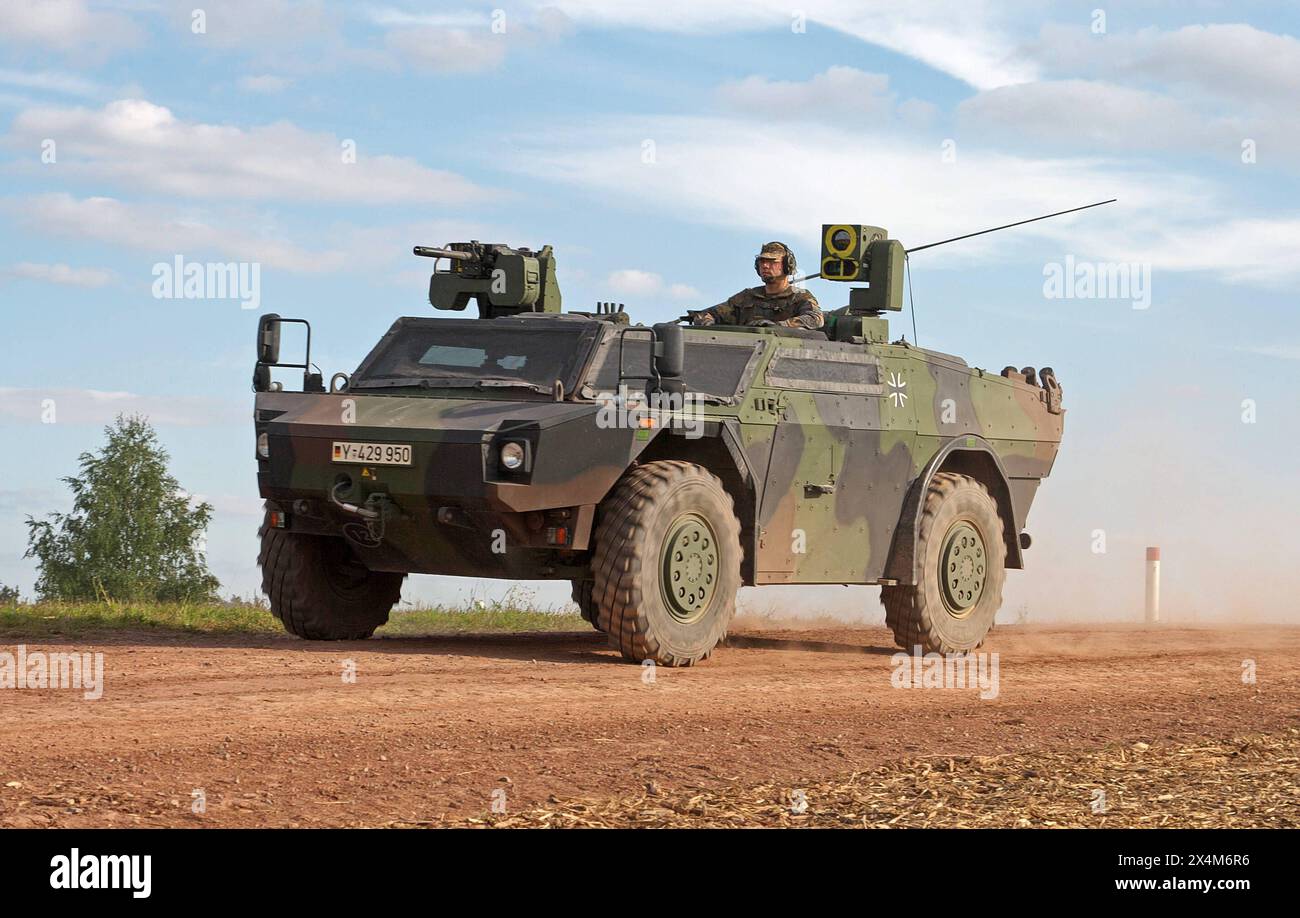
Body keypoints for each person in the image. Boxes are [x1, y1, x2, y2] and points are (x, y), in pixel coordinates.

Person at [690, 241, 823, 329]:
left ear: (787, 266)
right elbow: (708, 314)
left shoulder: (799, 297)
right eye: (762, 262)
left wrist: (778, 326)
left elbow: (815, 318)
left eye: (772, 262)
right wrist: (706, 322)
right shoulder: (747, 297)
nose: (765, 266)